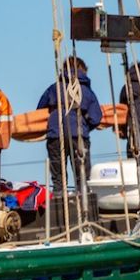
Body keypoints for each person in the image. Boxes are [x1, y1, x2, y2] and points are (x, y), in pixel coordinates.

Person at [37, 56, 103, 193]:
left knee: (58, 179)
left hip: (55, 135)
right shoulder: (86, 91)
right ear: (83, 71)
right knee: (82, 178)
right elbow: (96, 118)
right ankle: (82, 206)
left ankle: (59, 207)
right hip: (78, 135)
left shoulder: (54, 88)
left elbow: (39, 111)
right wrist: (85, 127)